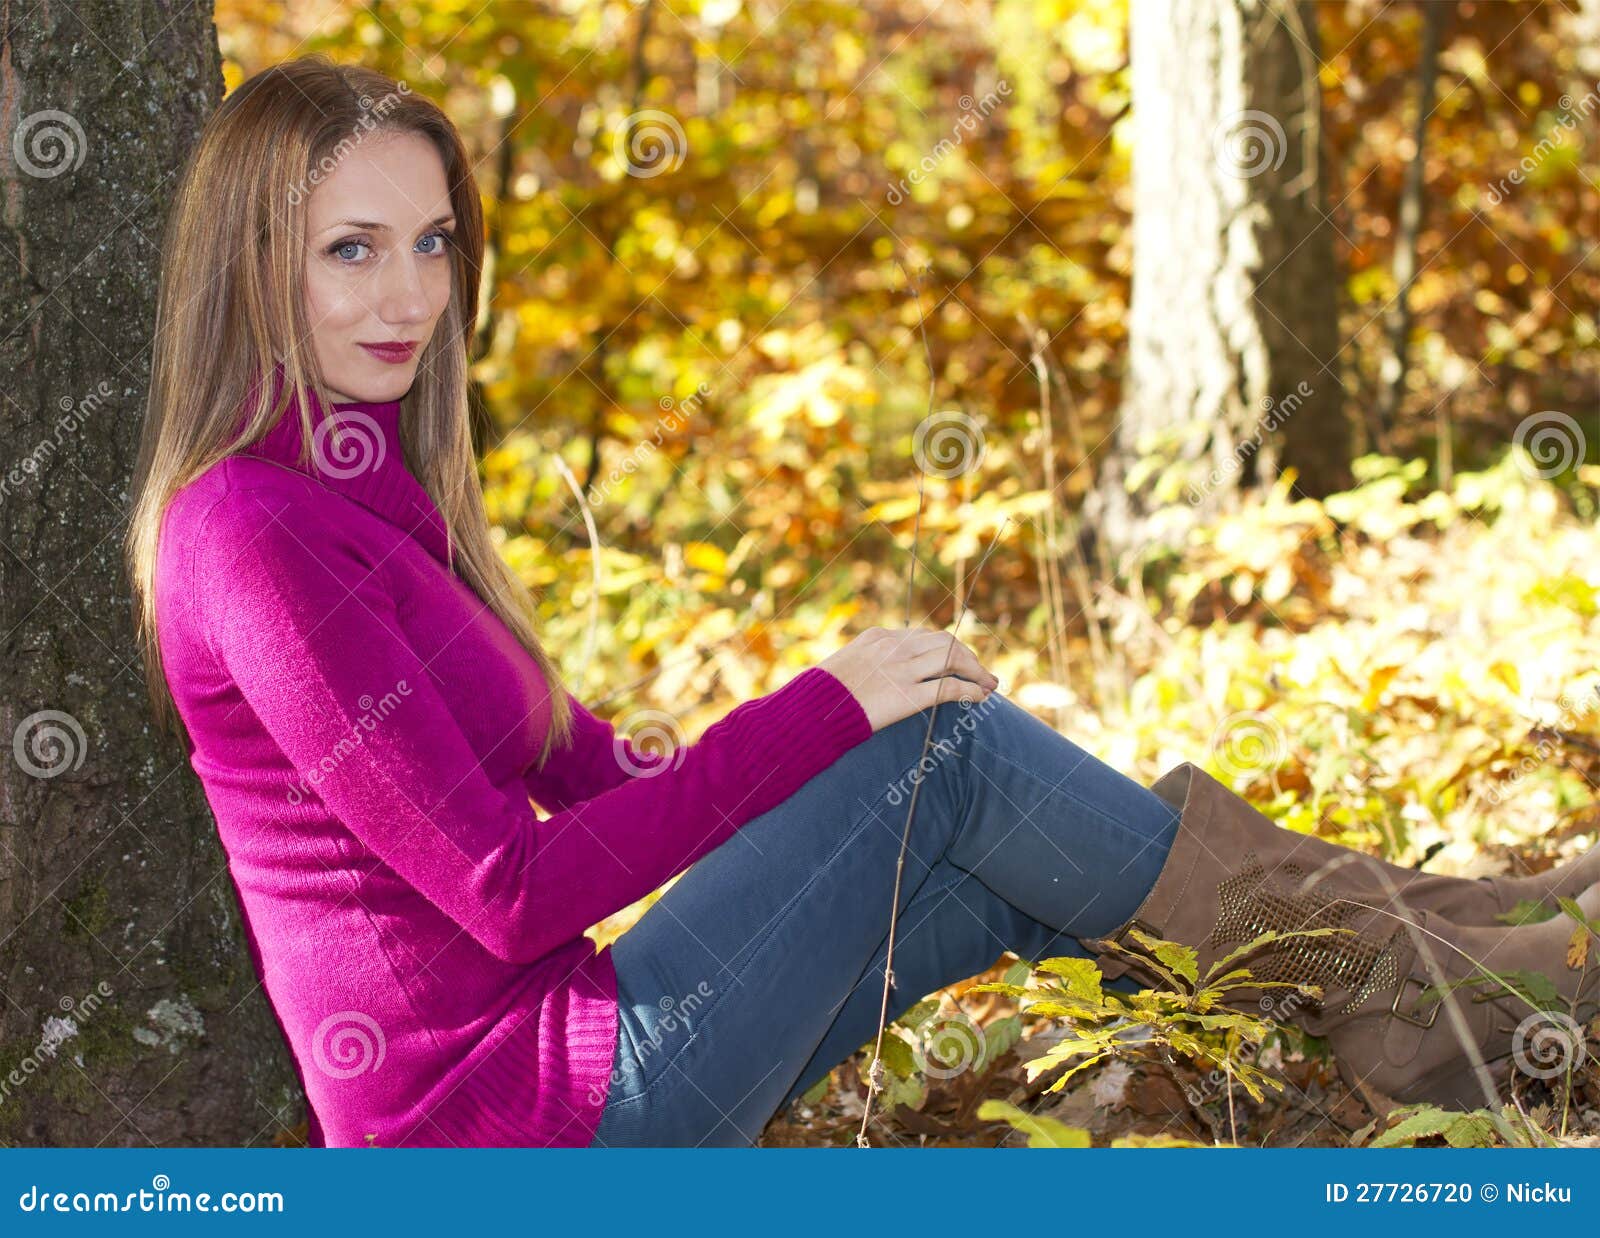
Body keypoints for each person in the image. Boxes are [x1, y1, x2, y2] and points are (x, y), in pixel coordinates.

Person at [125, 55, 1600, 1148]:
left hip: (567, 1061)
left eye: (433, 241)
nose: (408, 295)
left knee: (990, 851)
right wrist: (828, 716)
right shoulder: (249, 533)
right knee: (943, 756)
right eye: (352, 251)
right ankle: (1442, 981)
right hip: (518, 1131)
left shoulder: (358, 488)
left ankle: (1453, 942)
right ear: (257, 263)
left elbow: (587, 765)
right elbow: (507, 895)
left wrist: (811, 760)